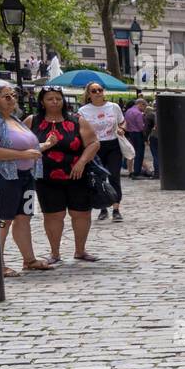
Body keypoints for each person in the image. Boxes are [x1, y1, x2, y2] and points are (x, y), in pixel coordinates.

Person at [0, 80, 55, 275]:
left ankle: (29, 259)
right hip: (2, 176)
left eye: (14, 95)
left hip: (25, 175)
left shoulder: (14, 119)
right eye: (6, 96)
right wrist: (23, 155)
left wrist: (45, 145)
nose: (12, 100)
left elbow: (27, 147)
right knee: (2, 220)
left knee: (23, 217)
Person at [26, 86, 100, 264]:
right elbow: (21, 143)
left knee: (81, 213)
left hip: (77, 175)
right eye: (50, 98)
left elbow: (93, 143)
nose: (54, 102)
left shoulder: (76, 120)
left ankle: (80, 250)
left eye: (58, 98)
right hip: (46, 177)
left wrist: (82, 162)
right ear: (42, 101)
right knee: (53, 215)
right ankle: (55, 252)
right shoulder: (32, 121)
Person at [78, 82, 125, 221]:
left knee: (114, 176)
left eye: (100, 89)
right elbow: (80, 129)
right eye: (94, 90)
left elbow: (122, 121)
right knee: (98, 177)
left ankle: (116, 209)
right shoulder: (83, 111)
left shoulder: (113, 107)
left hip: (113, 144)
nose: (98, 92)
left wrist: (122, 129)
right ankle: (103, 207)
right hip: (94, 146)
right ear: (89, 93)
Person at [124, 96, 149, 179]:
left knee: (134, 152)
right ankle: (137, 172)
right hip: (138, 134)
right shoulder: (138, 113)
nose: (144, 108)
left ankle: (133, 171)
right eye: (144, 106)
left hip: (130, 133)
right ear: (140, 104)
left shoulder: (128, 111)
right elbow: (141, 126)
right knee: (139, 154)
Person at [144, 100, 160, 178]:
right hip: (166, 138)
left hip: (155, 137)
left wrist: (146, 138)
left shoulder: (151, 115)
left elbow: (147, 128)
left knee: (156, 155)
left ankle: (157, 173)